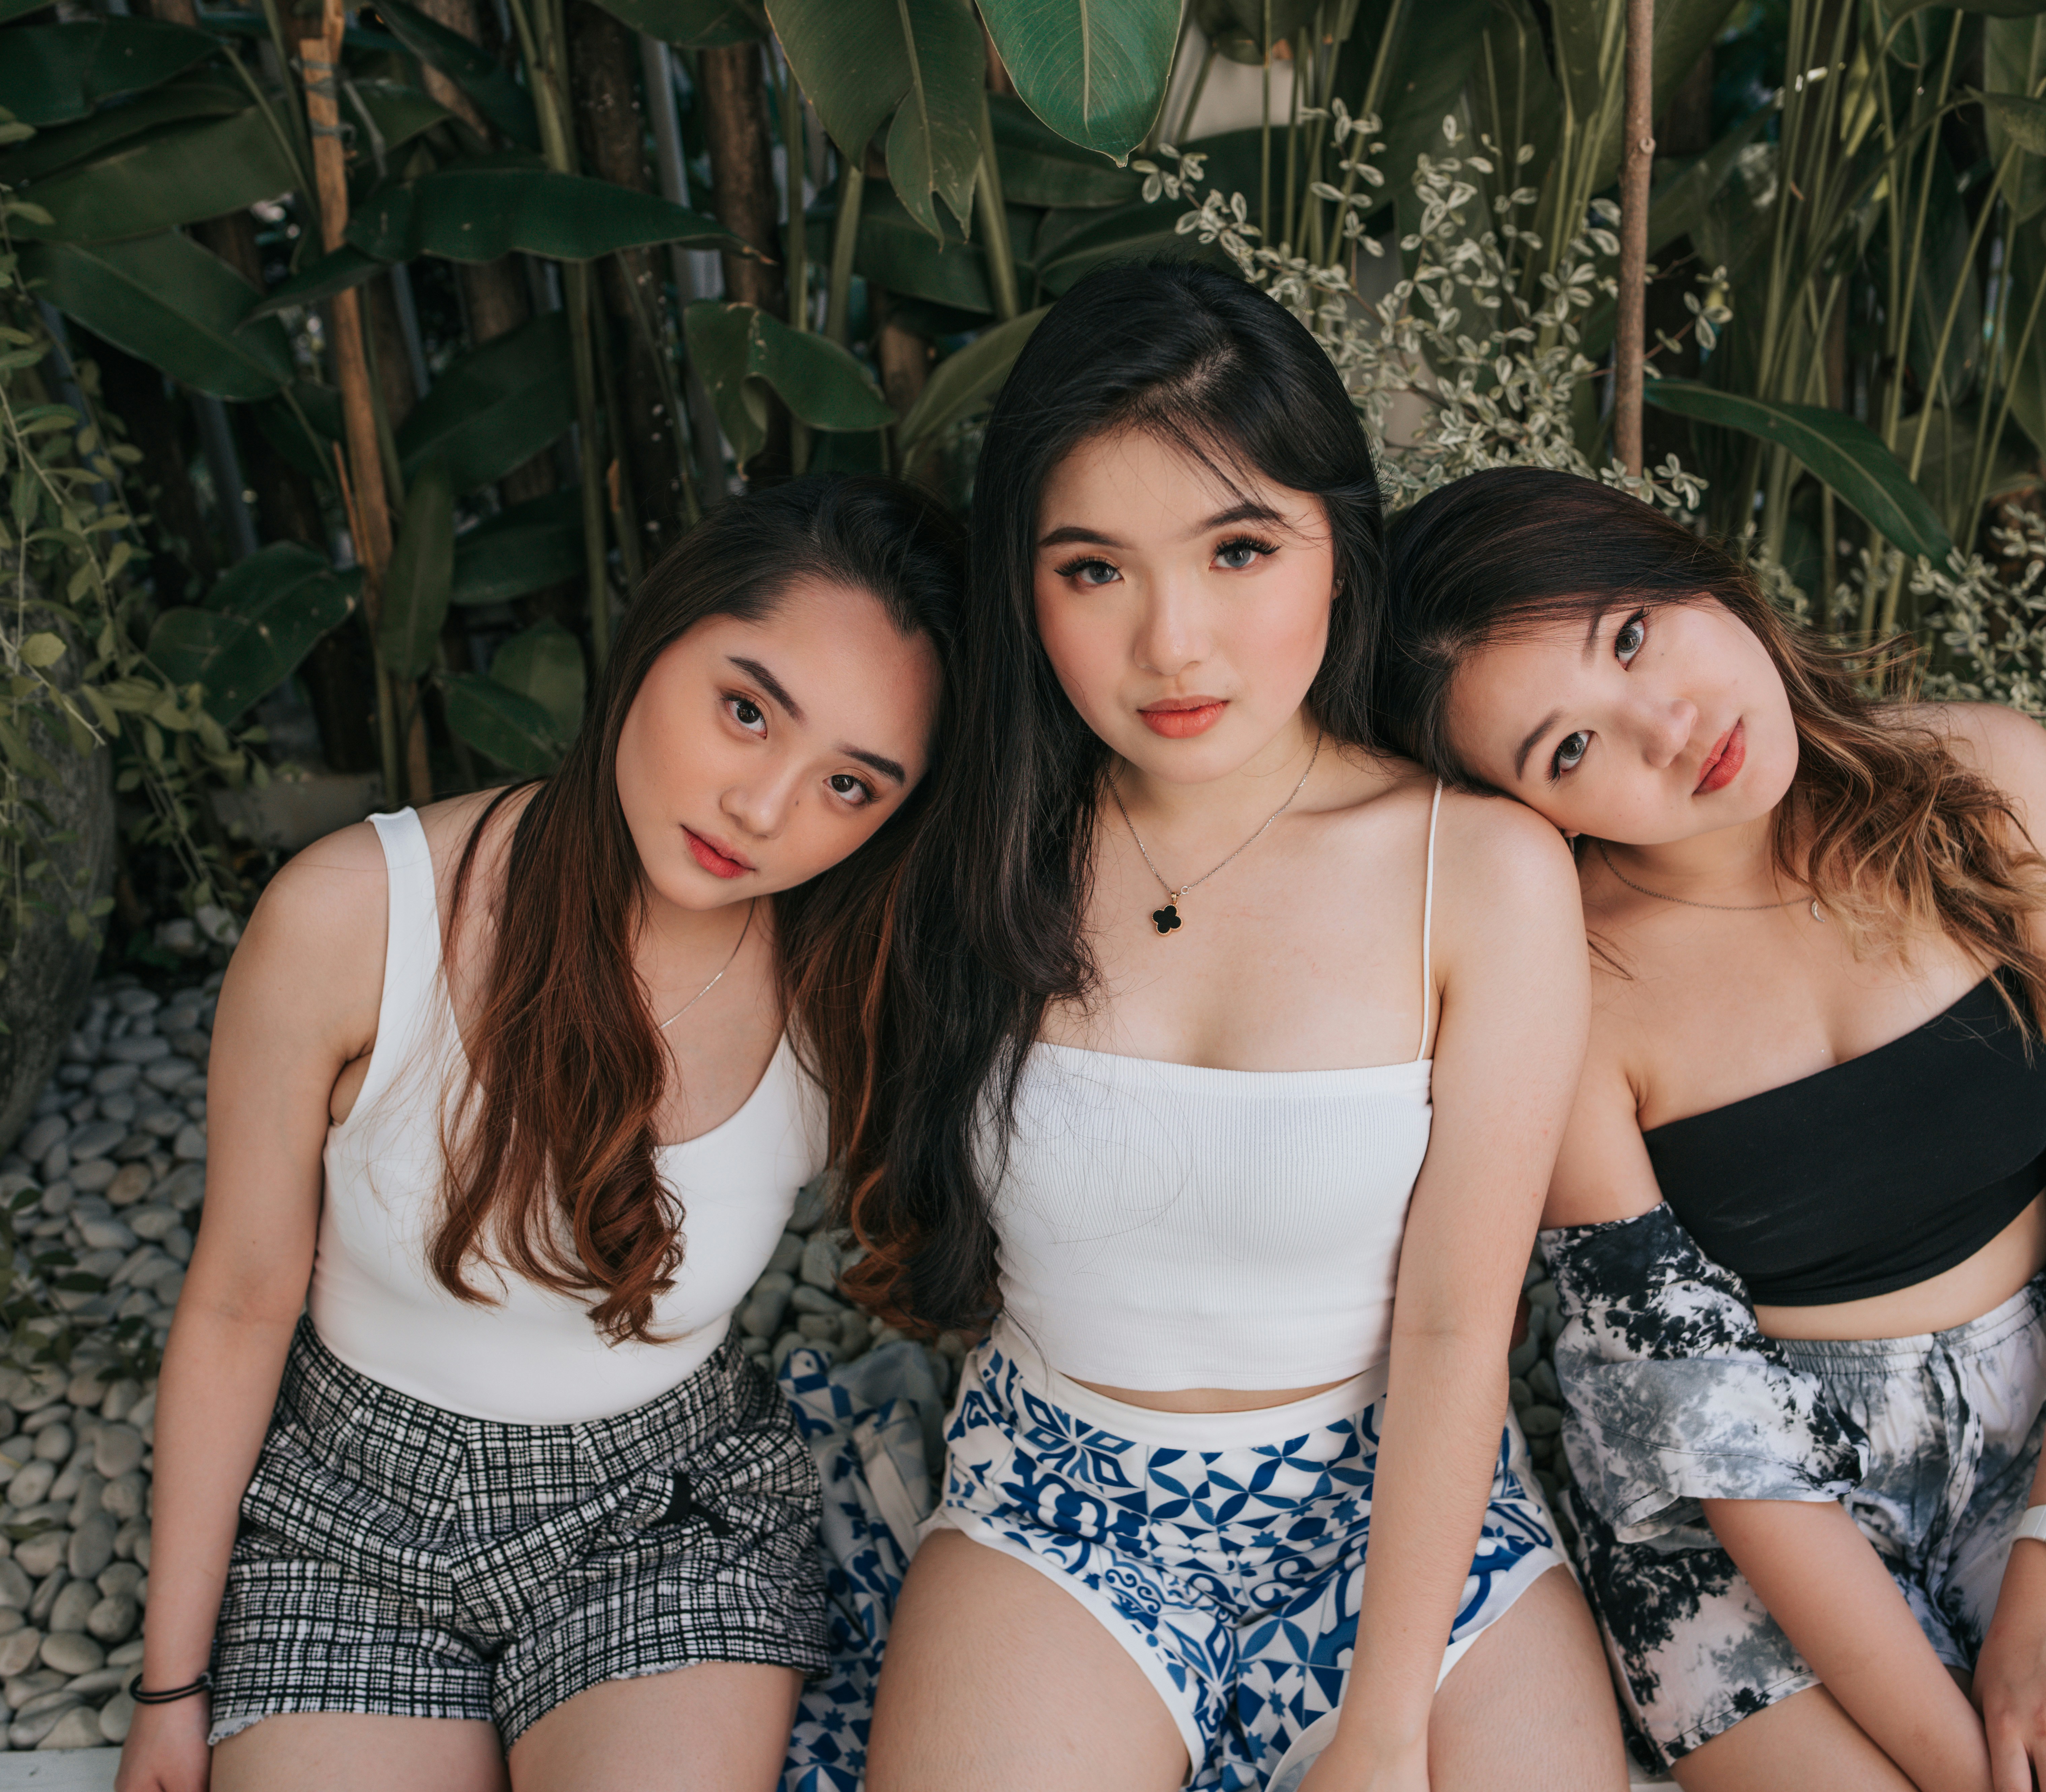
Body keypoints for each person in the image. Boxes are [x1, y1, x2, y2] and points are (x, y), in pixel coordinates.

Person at [1377, 466, 2046, 1792]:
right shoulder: (1570, 983)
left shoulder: (1981, 780)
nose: (1664, 726)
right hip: (1742, 1526)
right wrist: (1969, 1759)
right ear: (1528, 815)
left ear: (1692, 569)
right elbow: (1698, 1413)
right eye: (1568, 748)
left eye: (1630, 635)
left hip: (2043, 1423)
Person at [843, 264, 1626, 1792]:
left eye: (1237, 549)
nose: (1173, 647)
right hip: (1062, 1498)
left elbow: (1461, 1328)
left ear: (1338, 542)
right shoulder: (976, 842)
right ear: (1025, 586)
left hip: (1393, 1509)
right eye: (1093, 570)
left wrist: (1388, 1733)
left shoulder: (1475, 871)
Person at [116, 476, 959, 1792]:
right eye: (745, 711)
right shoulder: (355, 917)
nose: (762, 808)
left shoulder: (843, 996)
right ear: (653, 637)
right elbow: (237, 1301)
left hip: (662, 1509)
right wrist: (172, 1687)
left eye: (848, 785)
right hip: (350, 1512)